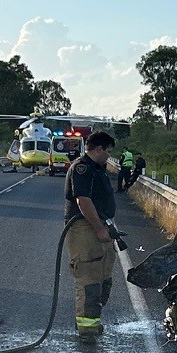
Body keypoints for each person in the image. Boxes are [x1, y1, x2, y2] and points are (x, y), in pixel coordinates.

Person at [64, 130, 118, 340]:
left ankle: (94, 323)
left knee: (103, 278)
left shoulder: (98, 169)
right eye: (108, 151)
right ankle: (87, 330)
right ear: (99, 149)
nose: (109, 156)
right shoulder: (83, 168)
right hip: (85, 229)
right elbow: (83, 200)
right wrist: (99, 228)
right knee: (89, 280)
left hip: (101, 227)